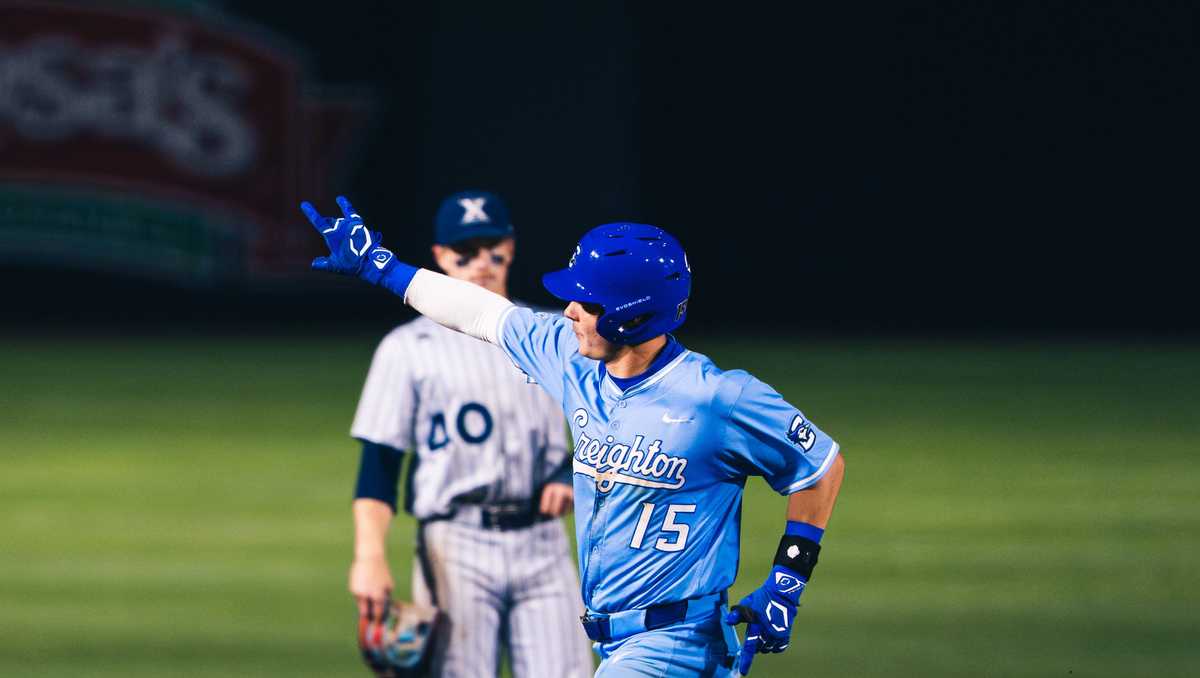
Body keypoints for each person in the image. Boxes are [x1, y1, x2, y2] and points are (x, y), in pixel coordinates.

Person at [302, 196, 846, 677]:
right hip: (612, 644)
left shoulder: (718, 399)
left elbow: (819, 465)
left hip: (676, 646)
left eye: (586, 302)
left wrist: (788, 581)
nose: (569, 310)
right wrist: (383, 267)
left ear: (631, 316)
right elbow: (483, 313)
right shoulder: (570, 358)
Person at [346, 191, 594, 677]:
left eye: (491, 248)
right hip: (454, 544)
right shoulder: (406, 349)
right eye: (465, 251)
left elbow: (608, 425)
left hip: (544, 544)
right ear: (439, 257)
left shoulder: (555, 334)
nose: (481, 262)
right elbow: (379, 467)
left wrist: (570, 471)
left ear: (511, 247)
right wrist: (369, 556)